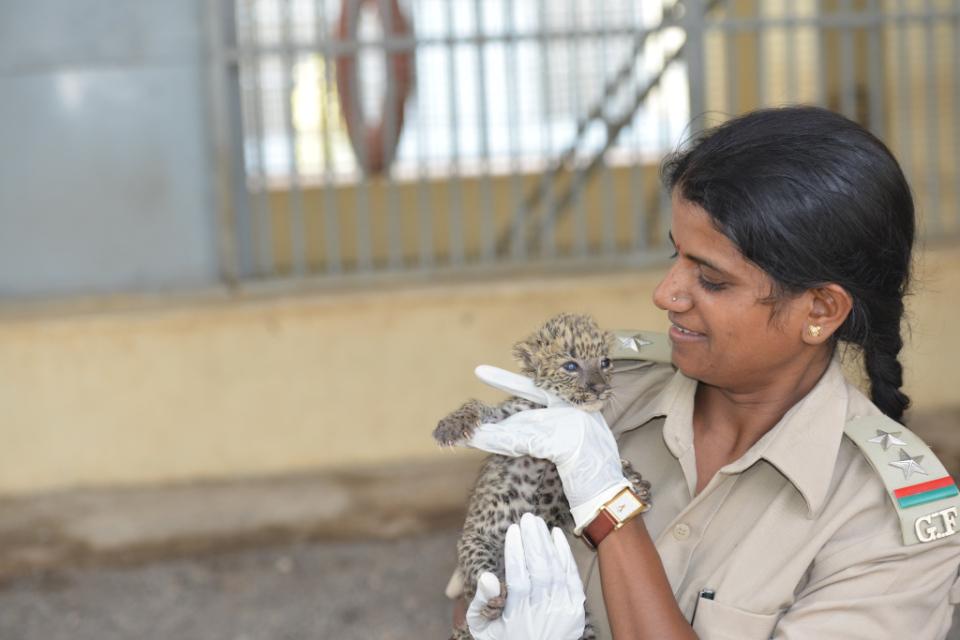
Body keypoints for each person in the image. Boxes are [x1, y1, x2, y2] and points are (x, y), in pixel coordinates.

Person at [449, 106, 960, 639]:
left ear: (819, 310)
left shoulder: (884, 524)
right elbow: (477, 585)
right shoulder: (600, 394)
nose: (665, 294)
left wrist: (608, 504)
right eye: (676, 255)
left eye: (712, 279)